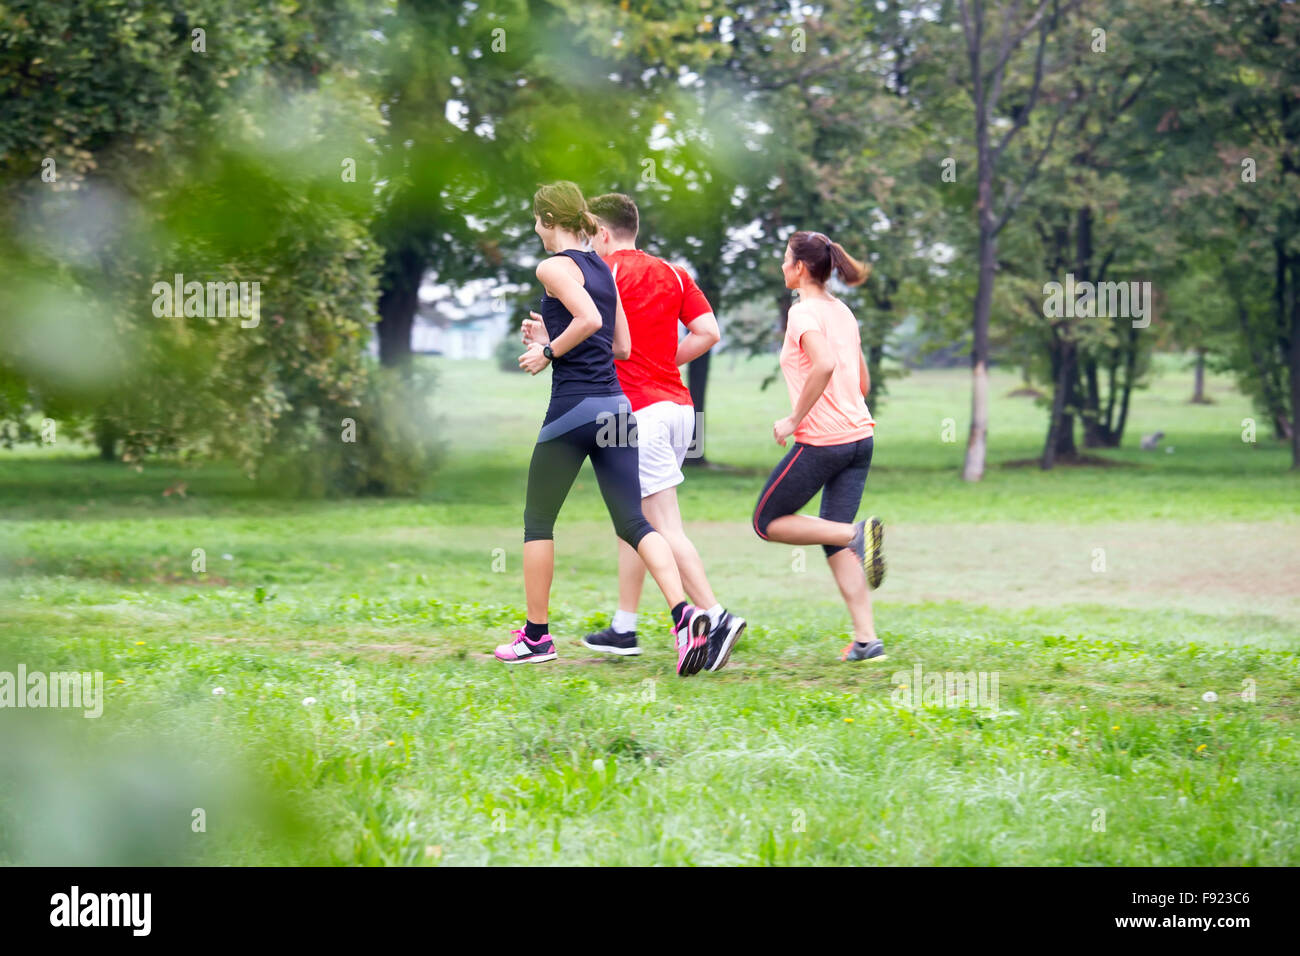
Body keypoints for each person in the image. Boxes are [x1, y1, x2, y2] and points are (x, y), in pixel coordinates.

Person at [496, 181, 712, 676]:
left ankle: (536, 637)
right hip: (616, 408)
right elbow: (620, 348)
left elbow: (589, 319)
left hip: (573, 410)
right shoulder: (603, 269)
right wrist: (553, 332)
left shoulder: (553, 266)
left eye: (536, 221)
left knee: (538, 521)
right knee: (634, 523)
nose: (535, 231)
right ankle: (685, 617)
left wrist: (546, 351)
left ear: (550, 220)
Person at [534, 192, 746, 672]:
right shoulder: (672, 272)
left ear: (603, 233)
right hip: (680, 409)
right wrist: (664, 363)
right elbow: (709, 332)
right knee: (633, 518)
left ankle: (714, 617)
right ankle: (624, 626)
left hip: (637, 412)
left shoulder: (600, 275)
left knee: (661, 525)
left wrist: (550, 346)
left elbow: (594, 340)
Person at [751, 230, 887, 662]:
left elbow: (825, 364)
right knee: (831, 538)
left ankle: (856, 533)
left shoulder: (802, 313)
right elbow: (861, 382)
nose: (781, 267)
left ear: (801, 268)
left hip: (825, 442)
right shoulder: (844, 312)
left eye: (785, 259)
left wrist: (794, 418)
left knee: (767, 522)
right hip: (860, 439)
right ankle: (867, 640)